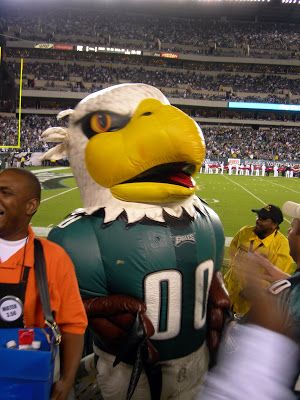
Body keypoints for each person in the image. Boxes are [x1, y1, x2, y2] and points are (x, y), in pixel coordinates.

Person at [0, 168, 87, 400]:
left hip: (25, 381)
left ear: (30, 206)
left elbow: (73, 326)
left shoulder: (53, 258)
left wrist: (67, 380)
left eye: (5, 192)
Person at [199, 200, 300, 400]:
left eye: (294, 228)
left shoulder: (288, 300)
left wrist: (257, 291)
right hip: (234, 299)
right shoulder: (246, 233)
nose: (290, 231)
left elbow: (248, 384)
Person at [224, 204, 294, 316]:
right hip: (229, 294)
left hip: (251, 307)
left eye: (263, 219)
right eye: (258, 217)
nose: (258, 221)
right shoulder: (245, 232)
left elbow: (277, 281)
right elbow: (233, 250)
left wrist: (255, 290)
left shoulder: (282, 246)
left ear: (274, 224)